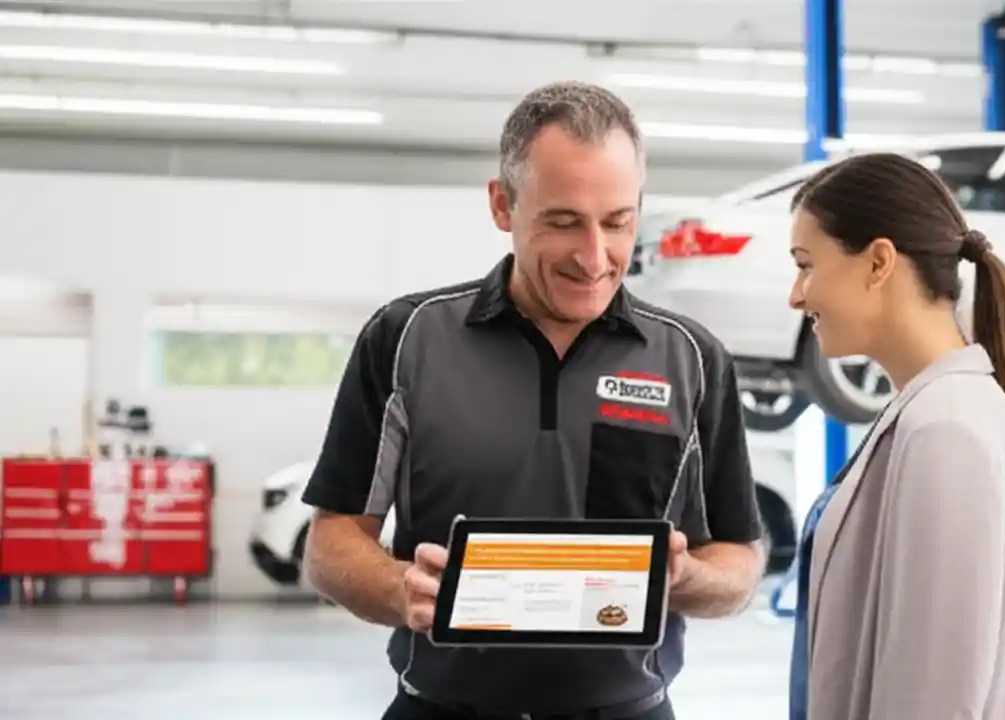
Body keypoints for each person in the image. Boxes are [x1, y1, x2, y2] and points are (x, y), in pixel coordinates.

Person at [299, 80, 766, 720]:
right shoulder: (406, 339)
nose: (595, 257)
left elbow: (739, 557)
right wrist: (397, 589)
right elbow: (330, 543)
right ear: (503, 204)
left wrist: (689, 580)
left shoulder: (692, 359)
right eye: (564, 221)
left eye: (617, 222)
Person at [786, 152, 1005, 720]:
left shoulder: (948, 429)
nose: (797, 295)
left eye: (806, 264)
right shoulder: (934, 411)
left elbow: (933, 701)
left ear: (878, 262)